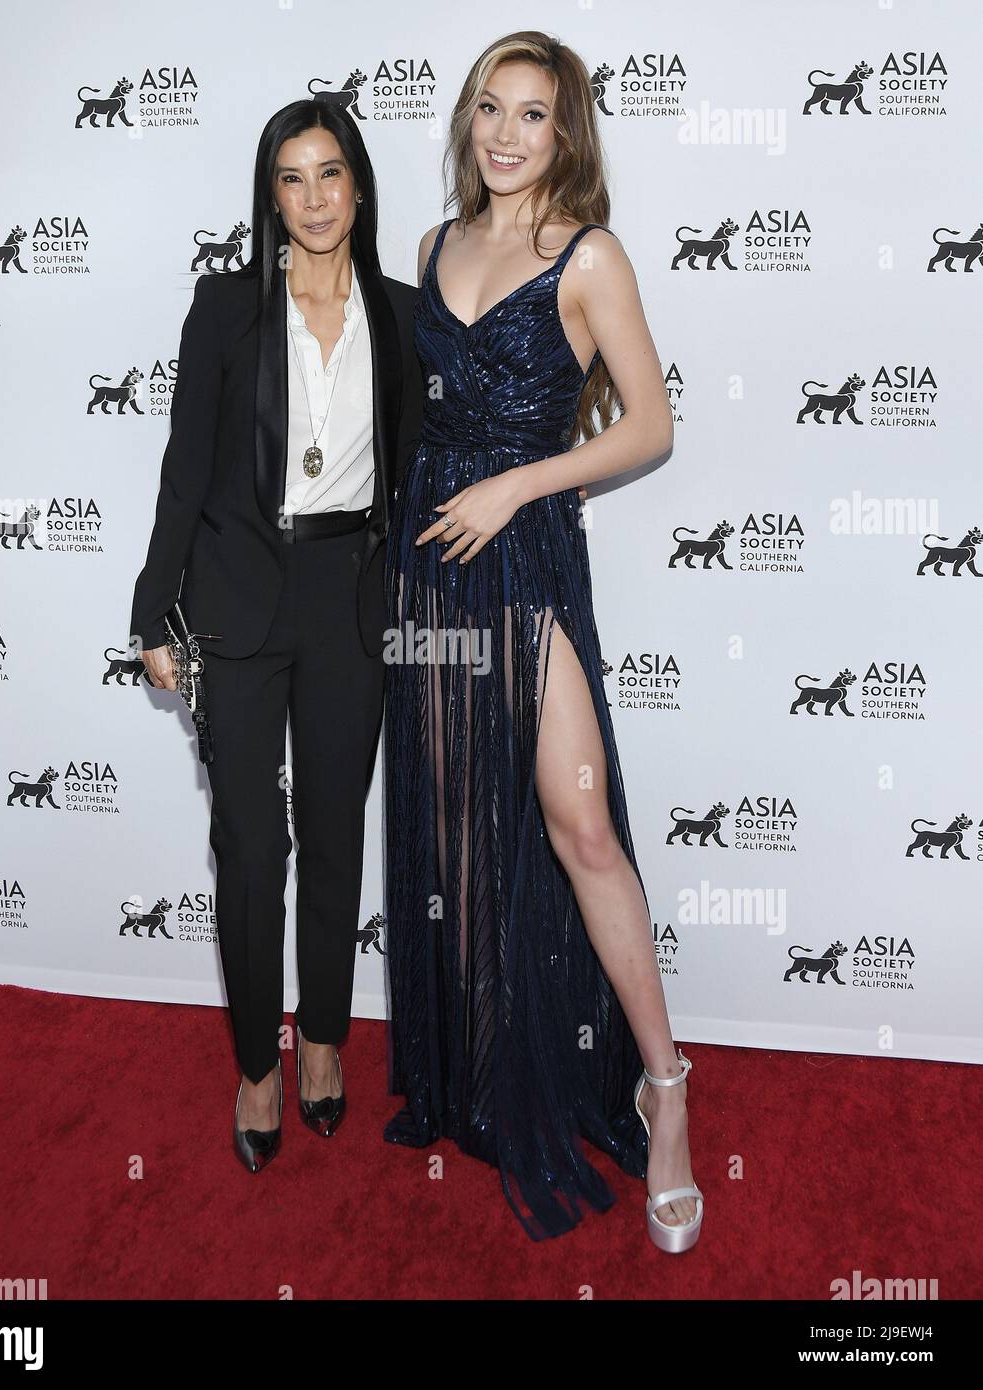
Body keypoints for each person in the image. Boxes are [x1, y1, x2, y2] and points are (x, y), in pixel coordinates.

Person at [382, 31, 702, 1248]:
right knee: (460, 821)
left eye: (532, 115)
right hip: (429, 567)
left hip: (524, 562)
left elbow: (651, 427)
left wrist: (522, 487)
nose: (506, 134)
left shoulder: (588, 255)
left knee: (578, 826)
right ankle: (493, 1067)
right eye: (488, 110)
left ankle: (662, 1087)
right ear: (466, 120)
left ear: (565, 133)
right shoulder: (429, 246)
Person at [129, 99, 423, 1173]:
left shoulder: (400, 315)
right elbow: (183, 468)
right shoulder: (222, 310)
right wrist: (151, 606)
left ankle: (327, 1041)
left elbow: (419, 467)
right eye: (291, 178)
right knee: (252, 847)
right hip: (238, 598)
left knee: (338, 835)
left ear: (358, 186)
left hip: (350, 598)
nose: (312, 198)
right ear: (270, 195)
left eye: (329, 174)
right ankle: (259, 1055)